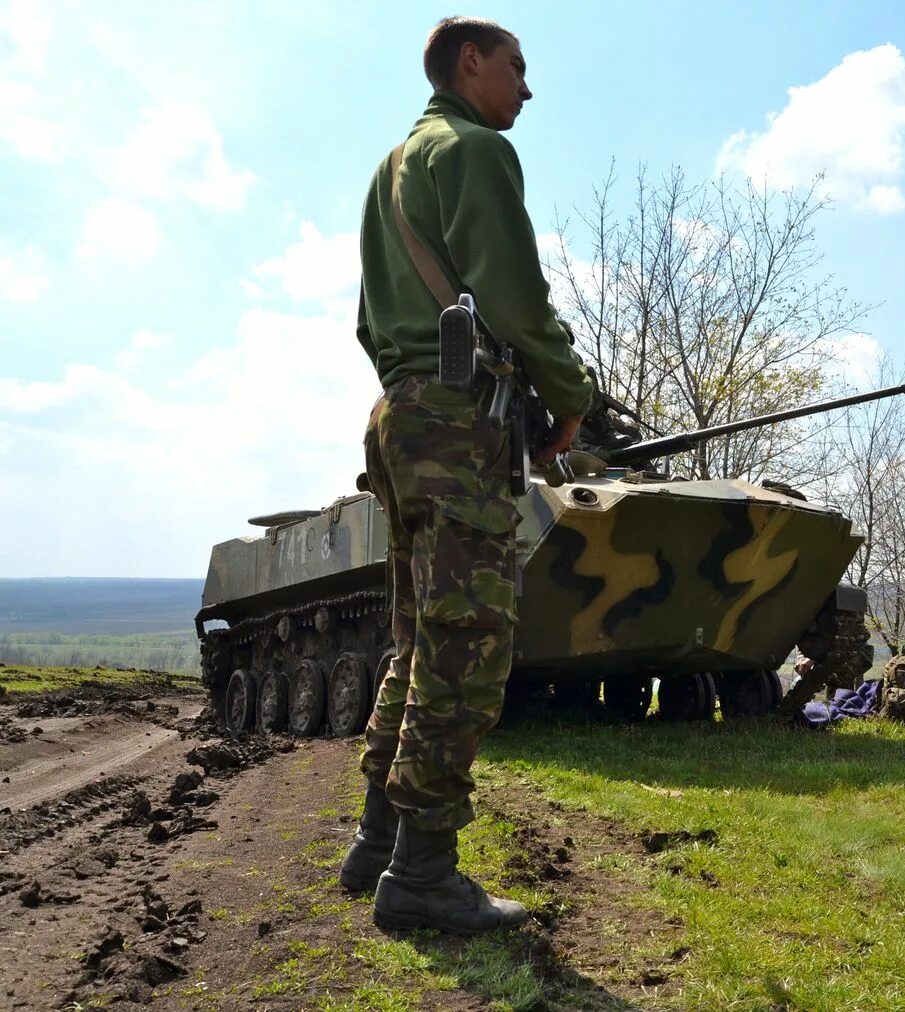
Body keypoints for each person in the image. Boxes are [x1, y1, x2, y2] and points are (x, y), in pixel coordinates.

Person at [338, 17, 594, 933]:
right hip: (456, 425)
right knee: (470, 641)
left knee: (419, 636)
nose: (528, 89)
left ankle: (377, 841)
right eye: (519, 67)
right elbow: (518, 296)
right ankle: (423, 874)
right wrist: (571, 396)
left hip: (402, 416)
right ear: (470, 62)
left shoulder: (391, 167)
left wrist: (415, 390)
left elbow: (369, 319)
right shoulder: (474, 150)